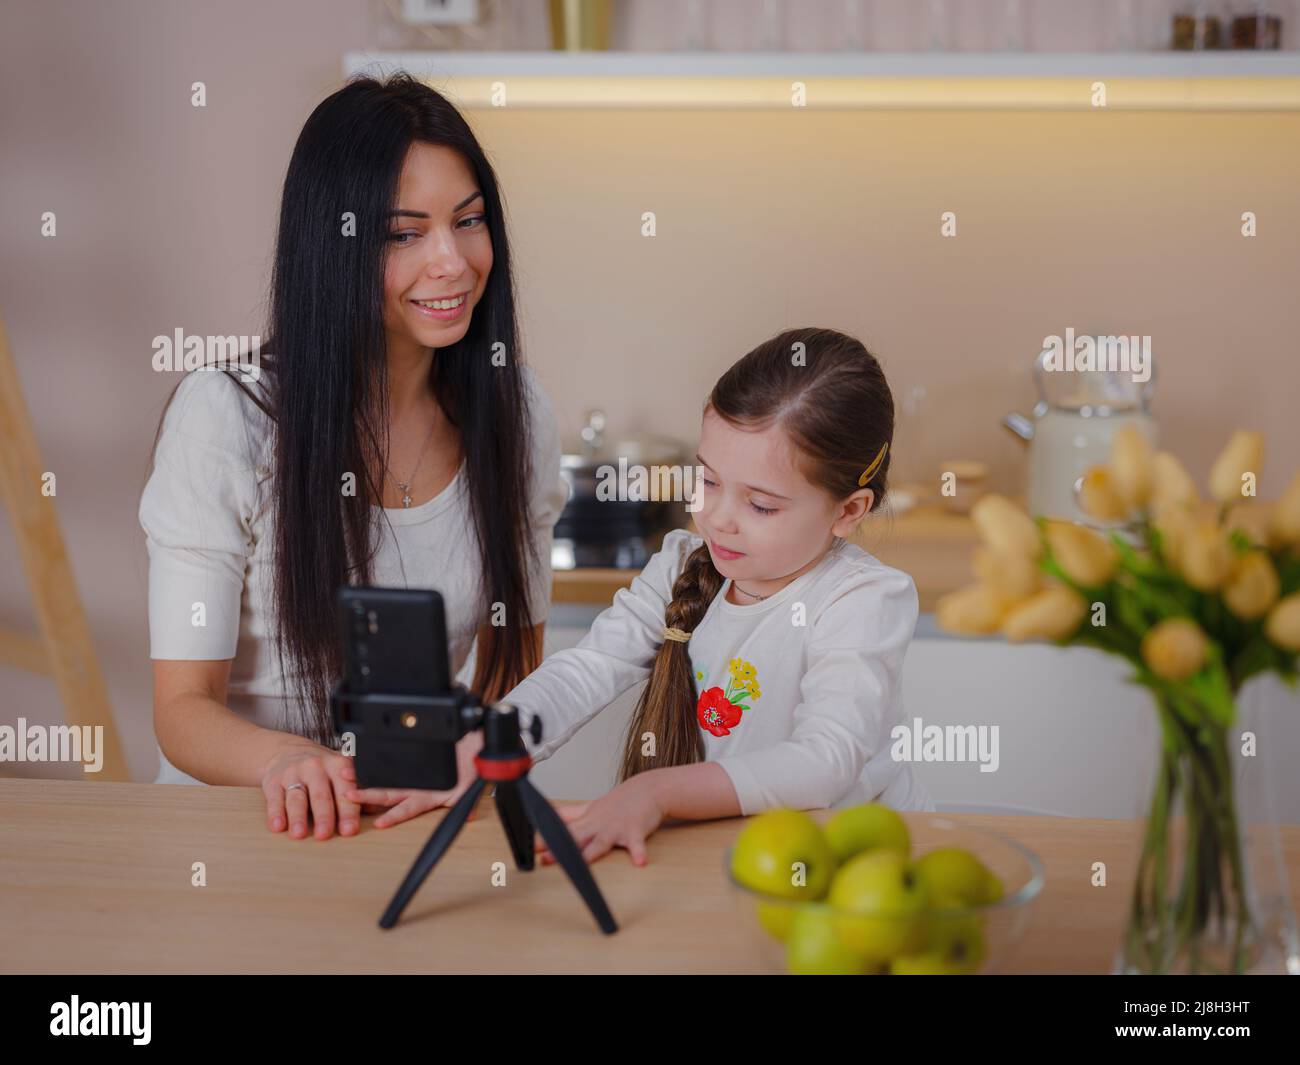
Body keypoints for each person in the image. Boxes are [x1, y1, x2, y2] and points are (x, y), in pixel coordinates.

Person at [139, 74, 565, 841]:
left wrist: (465, 761)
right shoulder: (227, 416)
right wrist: (288, 761)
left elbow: (512, 671)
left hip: (410, 818)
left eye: (468, 222)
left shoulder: (517, 413)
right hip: (237, 825)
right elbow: (182, 711)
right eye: (405, 233)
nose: (453, 262)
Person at [408, 326, 934, 868]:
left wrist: (656, 792)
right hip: (737, 852)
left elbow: (824, 762)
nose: (717, 518)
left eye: (762, 506)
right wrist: (487, 745)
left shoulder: (863, 599)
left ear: (849, 510)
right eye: (708, 480)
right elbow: (589, 667)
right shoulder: (682, 564)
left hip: (857, 863)